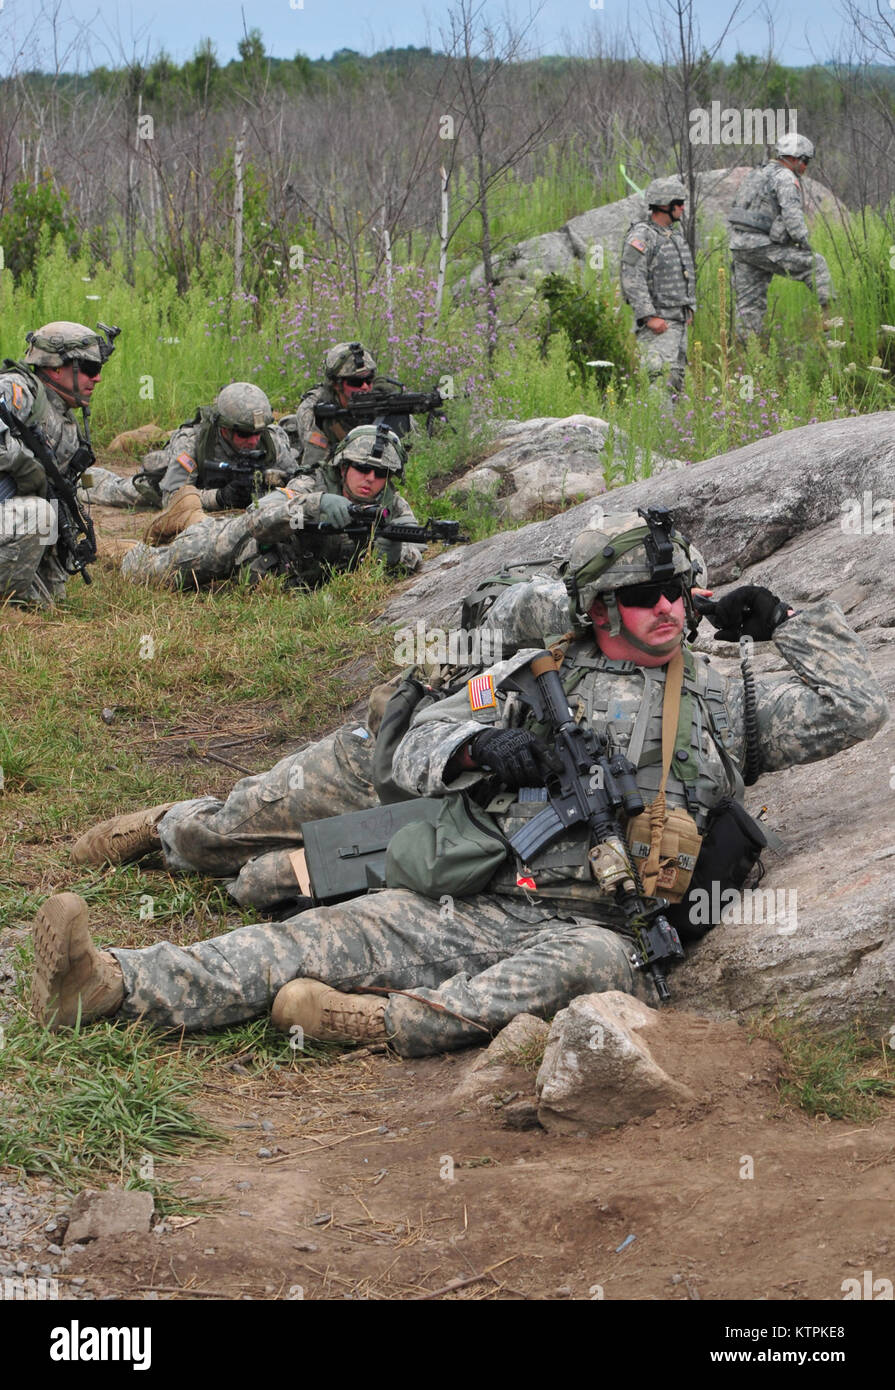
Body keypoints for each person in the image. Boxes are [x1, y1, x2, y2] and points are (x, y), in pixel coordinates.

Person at [31, 509, 888, 1053]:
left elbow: (853, 709)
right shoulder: (533, 674)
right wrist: (480, 752)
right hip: (481, 889)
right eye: (643, 594)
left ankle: (379, 1022)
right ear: (598, 607)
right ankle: (111, 984)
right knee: (309, 936)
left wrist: (785, 618)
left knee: (579, 971)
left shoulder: (724, 698)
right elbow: (411, 747)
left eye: (677, 591)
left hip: (600, 924)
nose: (667, 608)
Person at [118, 423, 423, 589]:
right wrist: (316, 505)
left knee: (195, 527)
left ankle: (189, 515)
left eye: (380, 473)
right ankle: (122, 545)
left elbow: (411, 555)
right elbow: (257, 519)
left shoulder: (392, 506)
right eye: (360, 468)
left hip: (291, 577)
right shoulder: (312, 484)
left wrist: (398, 550)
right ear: (343, 467)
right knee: (141, 570)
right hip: (239, 547)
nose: (369, 478)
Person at [0, 321, 116, 607]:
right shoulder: (17, 389)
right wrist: (23, 464)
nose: (97, 379)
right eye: (90, 369)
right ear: (55, 368)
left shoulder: (64, 421)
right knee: (38, 514)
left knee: (50, 602)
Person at [82, 384, 295, 522]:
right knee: (115, 491)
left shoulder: (272, 439)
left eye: (258, 433)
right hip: (182, 482)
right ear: (224, 428)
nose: (253, 440)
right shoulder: (191, 442)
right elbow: (173, 498)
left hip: (217, 490)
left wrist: (271, 480)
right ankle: (78, 479)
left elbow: (298, 481)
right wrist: (220, 498)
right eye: (243, 434)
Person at [728, 133, 835, 340]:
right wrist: (805, 243)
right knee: (816, 265)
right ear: (795, 158)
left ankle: (746, 356)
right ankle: (831, 319)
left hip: (740, 247)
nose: (805, 167)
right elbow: (793, 217)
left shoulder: (755, 174)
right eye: (805, 161)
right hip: (763, 246)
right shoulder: (786, 177)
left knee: (748, 305)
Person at [620, 177, 696, 394]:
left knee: (676, 384)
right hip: (659, 325)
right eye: (679, 203)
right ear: (665, 205)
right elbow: (632, 277)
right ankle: (658, 426)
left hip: (677, 323)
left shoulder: (673, 235)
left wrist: (688, 308)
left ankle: (673, 427)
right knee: (659, 380)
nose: (682, 207)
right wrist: (649, 316)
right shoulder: (642, 235)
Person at [281, 342, 410, 468]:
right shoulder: (314, 409)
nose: (365, 386)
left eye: (369, 379)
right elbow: (317, 465)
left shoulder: (383, 400)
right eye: (356, 382)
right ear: (337, 385)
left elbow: (415, 447)